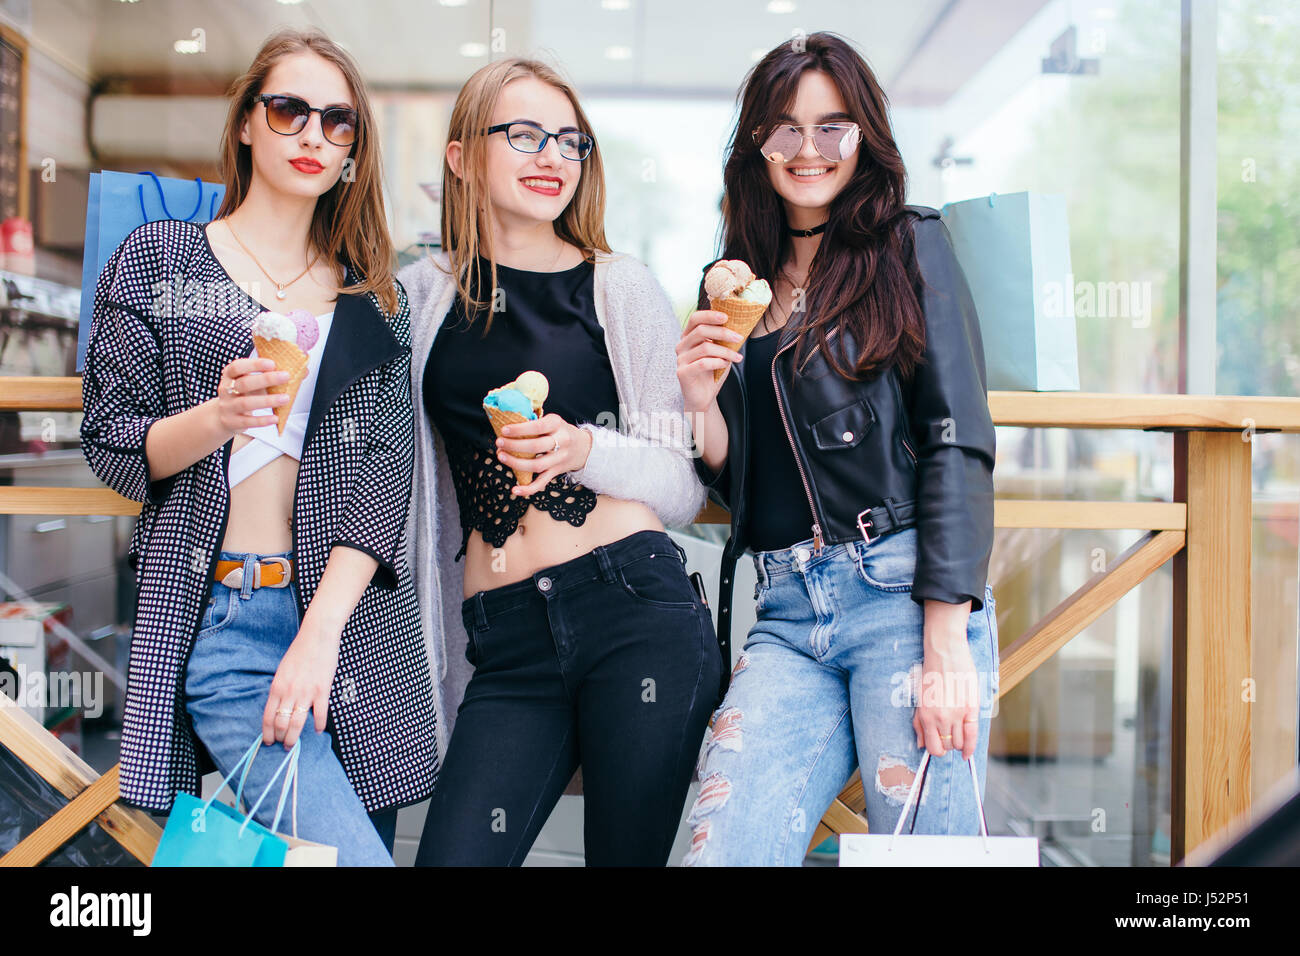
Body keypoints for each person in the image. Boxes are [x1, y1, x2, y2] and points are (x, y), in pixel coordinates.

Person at [79, 27, 437, 866]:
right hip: (228, 620)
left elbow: (384, 481)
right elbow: (110, 438)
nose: (315, 135)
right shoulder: (161, 258)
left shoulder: (371, 293)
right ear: (246, 123)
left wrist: (318, 638)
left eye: (338, 122)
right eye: (289, 110)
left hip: (351, 633)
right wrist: (216, 415)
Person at [676, 32, 1000, 866]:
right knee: (722, 848)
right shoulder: (733, 282)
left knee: (926, 861)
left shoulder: (908, 245)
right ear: (757, 144)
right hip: (787, 614)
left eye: (833, 126)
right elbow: (741, 472)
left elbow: (955, 439)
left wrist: (946, 645)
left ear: (866, 137)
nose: (808, 150)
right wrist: (698, 400)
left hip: (902, 594)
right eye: (785, 128)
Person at [399, 56, 721, 866]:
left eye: (570, 141)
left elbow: (682, 485)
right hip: (506, 642)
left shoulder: (620, 286)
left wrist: (583, 447)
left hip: (634, 613)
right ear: (461, 156)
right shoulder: (418, 296)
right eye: (525, 135)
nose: (553, 157)